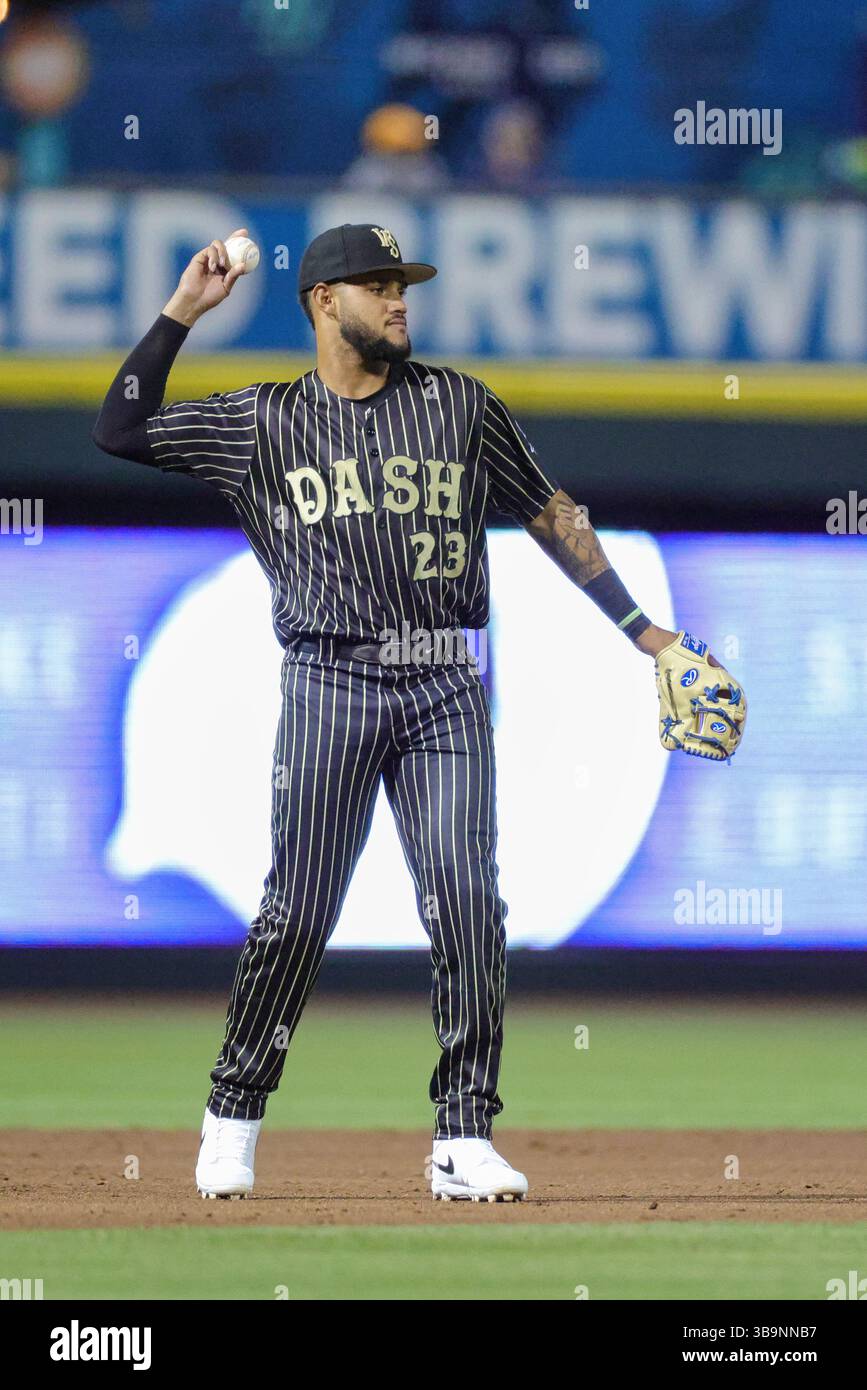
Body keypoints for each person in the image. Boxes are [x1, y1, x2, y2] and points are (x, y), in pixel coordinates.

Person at [92, 222, 678, 1203]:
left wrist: (643, 631)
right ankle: (233, 1113)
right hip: (329, 679)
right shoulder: (263, 421)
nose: (398, 298)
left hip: (445, 680)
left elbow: (552, 512)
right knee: (297, 912)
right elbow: (117, 429)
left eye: (401, 282)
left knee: (469, 902)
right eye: (376, 284)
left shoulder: (459, 405)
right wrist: (182, 312)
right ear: (324, 302)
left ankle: (463, 1134)